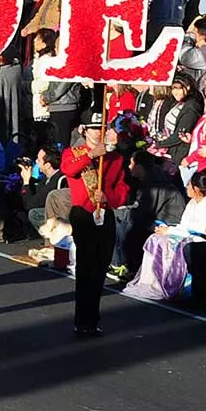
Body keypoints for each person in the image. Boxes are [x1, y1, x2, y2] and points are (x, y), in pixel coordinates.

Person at [59, 117, 129, 337]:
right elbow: (68, 170)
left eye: (102, 127)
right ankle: (81, 320)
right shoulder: (74, 152)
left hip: (104, 212)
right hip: (83, 213)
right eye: (93, 128)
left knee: (101, 266)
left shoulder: (115, 157)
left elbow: (122, 187)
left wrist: (109, 197)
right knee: (86, 267)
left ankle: (93, 319)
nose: (98, 132)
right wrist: (90, 155)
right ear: (84, 130)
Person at [123, 172, 206, 303]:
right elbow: (184, 224)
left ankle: (171, 284)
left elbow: (199, 230)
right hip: (183, 233)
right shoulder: (191, 204)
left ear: (196, 188)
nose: (186, 187)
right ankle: (152, 283)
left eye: (189, 185)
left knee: (170, 244)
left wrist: (171, 231)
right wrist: (166, 230)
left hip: (197, 239)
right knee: (155, 239)